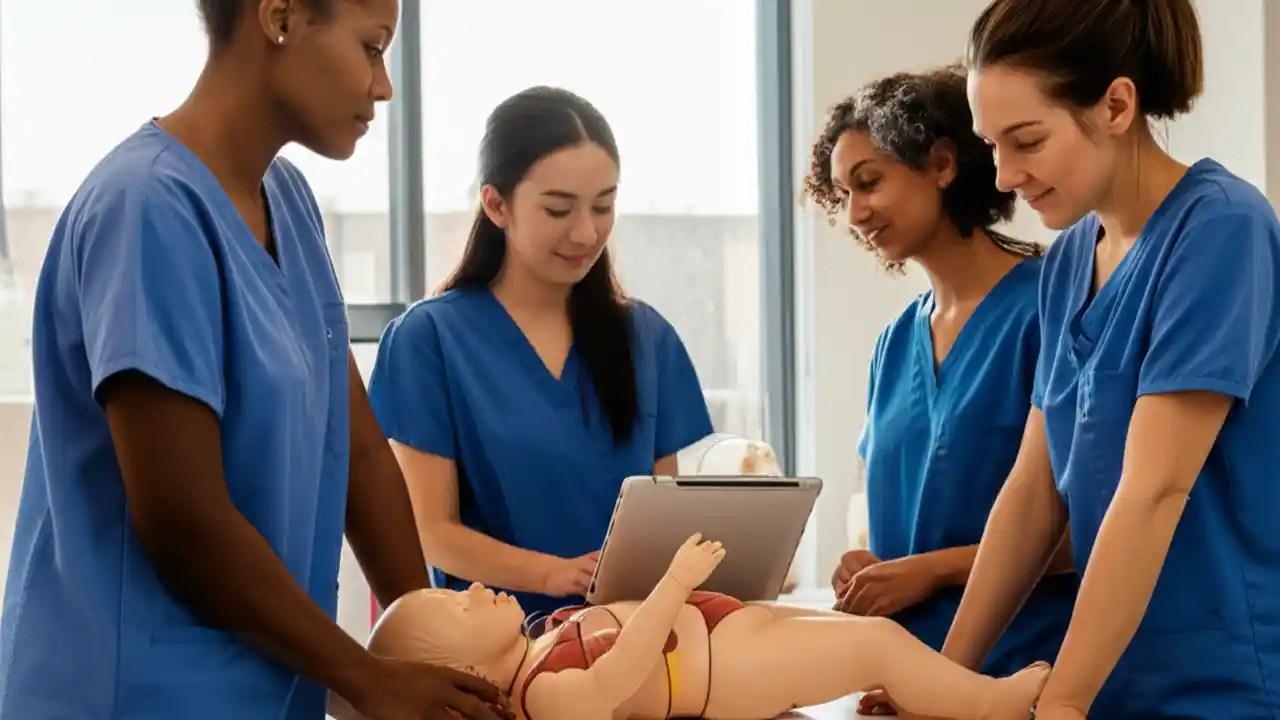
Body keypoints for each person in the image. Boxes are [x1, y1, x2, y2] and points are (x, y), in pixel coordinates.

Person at [0, 2, 510, 718]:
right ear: (281, 16)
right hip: (128, 695)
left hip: (258, 690)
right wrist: (367, 679)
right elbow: (182, 517)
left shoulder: (290, 205)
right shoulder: (148, 207)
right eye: (371, 47)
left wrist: (436, 647)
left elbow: (359, 451)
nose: (384, 86)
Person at [945, 0, 1280, 717]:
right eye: (991, 145)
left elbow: (1154, 490)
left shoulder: (1221, 228)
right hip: (1114, 683)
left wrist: (1060, 703)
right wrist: (942, 680)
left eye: (1026, 141)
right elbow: (1034, 491)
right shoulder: (1068, 260)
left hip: (1222, 686)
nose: (1003, 176)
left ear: (1117, 104)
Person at [367, 86, 715, 622]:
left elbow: (660, 526)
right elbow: (432, 533)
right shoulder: (429, 339)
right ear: (496, 204)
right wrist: (553, 574)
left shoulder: (646, 338)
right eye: (558, 209)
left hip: (635, 644)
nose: (586, 232)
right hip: (500, 650)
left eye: (604, 206)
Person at [803, 65, 1078, 712]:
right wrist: (868, 566)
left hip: (1025, 676)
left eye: (869, 183)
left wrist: (929, 572)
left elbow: (1089, 532)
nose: (856, 212)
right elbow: (884, 513)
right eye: (842, 194)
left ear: (943, 164)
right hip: (907, 685)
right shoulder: (894, 345)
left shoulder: (1052, 309)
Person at [328, 534, 1051, 720]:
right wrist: (673, 584)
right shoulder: (545, 698)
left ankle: (947, 694)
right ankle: (995, 703)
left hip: (725, 632)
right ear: (472, 677)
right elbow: (618, 675)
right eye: (457, 607)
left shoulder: (540, 642)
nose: (474, 590)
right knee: (877, 644)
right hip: (721, 672)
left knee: (855, 642)